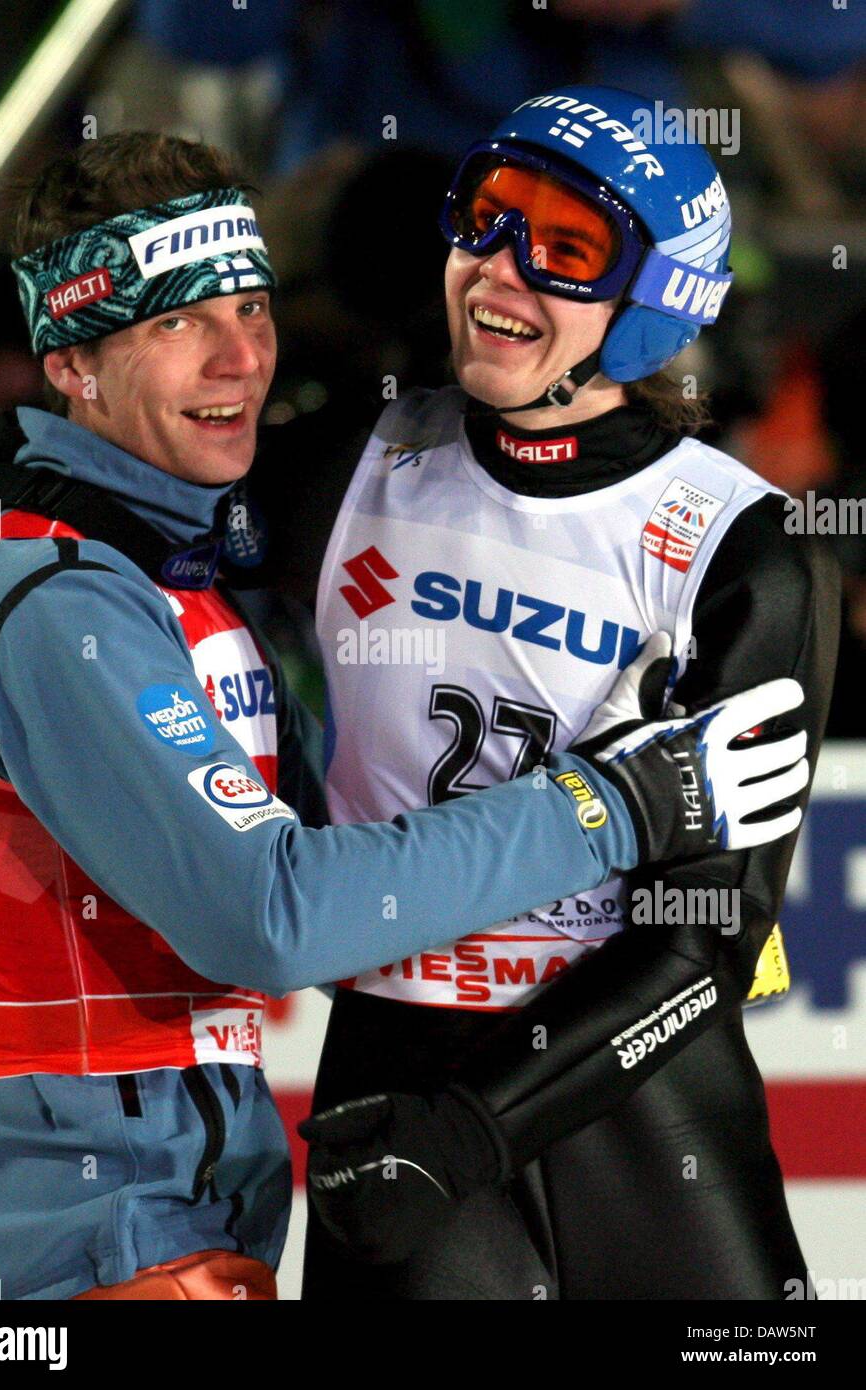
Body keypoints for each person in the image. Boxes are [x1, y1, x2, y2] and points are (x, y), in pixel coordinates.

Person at [0, 133, 800, 1303]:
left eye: (249, 305)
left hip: (182, 1204)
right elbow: (277, 911)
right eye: (178, 321)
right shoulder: (64, 602)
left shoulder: (181, 565)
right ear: (71, 358)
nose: (239, 360)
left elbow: (702, 941)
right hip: (78, 1229)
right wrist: (617, 802)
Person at [233, 85, 841, 1299]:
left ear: (649, 305)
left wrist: (473, 1127)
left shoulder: (737, 545)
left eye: (565, 249)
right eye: (488, 219)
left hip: (632, 1100)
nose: (500, 270)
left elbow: (704, 946)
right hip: (397, 1065)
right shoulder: (343, 457)